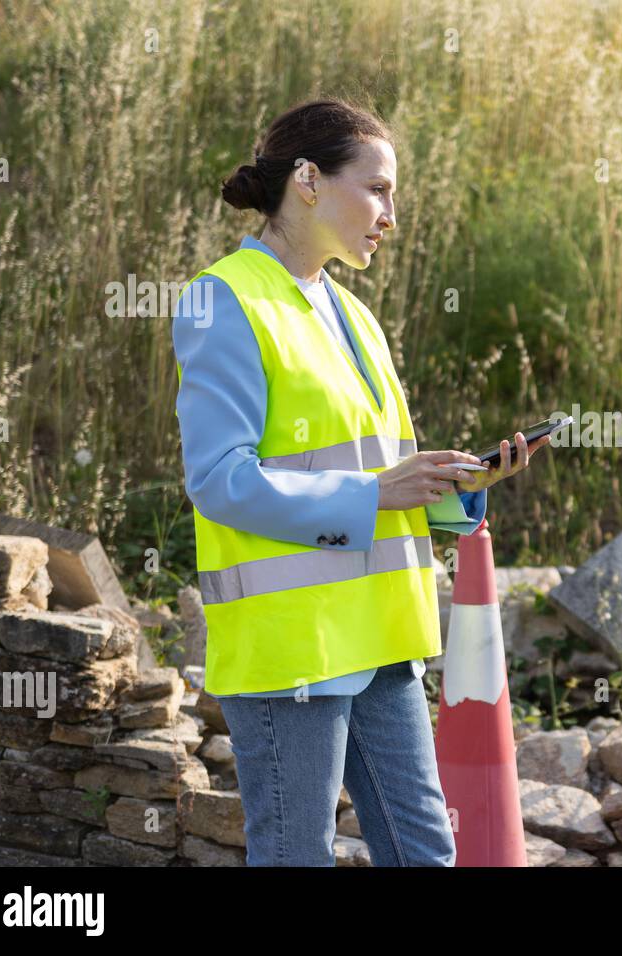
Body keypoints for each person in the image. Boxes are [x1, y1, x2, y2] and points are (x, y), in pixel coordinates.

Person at [171, 98, 550, 866]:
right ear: (308, 180)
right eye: (378, 189)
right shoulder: (225, 298)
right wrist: (377, 494)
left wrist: (457, 484)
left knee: (425, 854)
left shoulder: (355, 314)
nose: (390, 214)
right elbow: (219, 481)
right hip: (294, 652)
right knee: (295, 856)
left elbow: (377, 476)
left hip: (382, 637)